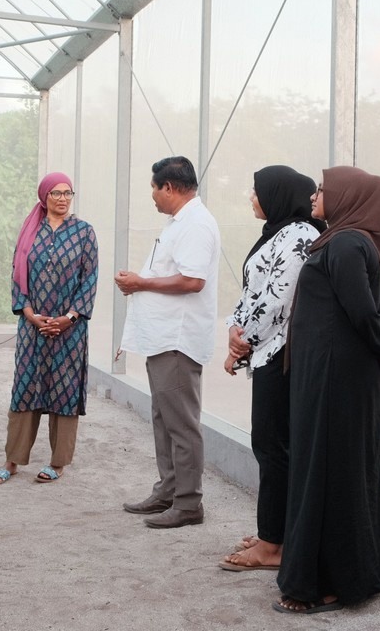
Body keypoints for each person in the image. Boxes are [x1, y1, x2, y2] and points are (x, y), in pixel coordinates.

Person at [275, 166, 380, 615]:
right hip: (331, 374)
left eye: (323, 189)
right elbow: (376, 306)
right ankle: (338, 574)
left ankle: (332, 583)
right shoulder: (341, 241)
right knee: (330, 466)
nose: (314, 195)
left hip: (337, 379)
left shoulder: (347, 243)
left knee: (332, 470)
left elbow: (365, 311)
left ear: (348, 197)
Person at [218, 166, 324, 572]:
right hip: (265, 350)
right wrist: (234, 328)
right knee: (271, 446)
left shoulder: (299, 235)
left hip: (281, 355)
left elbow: (279, 298)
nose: (251, 196)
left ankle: (272, 545)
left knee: (273, 447)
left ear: (278, 195)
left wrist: (241, 342)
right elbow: (253, 291)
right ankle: (275, 533)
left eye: (257, 190)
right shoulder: (278, 233)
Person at [116, 156, 221, 529]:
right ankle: (169, 490)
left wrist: (140, 282)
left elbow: (192, 280)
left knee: (181, 422)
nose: (152, 195)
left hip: (178, 339)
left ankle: (188, 502)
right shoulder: (180, 222)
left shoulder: (196, 224)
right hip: (162, 337)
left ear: (170, 188)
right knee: (164, 418)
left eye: (154, 188)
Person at [0, 172, 98, 486]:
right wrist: (31, 315)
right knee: (25, 388)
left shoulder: (84, 232)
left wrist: (69, 317)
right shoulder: (30, 232)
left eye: (68, 193)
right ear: (44, 196)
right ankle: (12, 461)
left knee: (64, 390)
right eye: (56, 193)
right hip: (32, 327)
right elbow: (17, 276)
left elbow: (89, 280)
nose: (62, 199)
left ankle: (57, 462)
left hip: (70, 330)